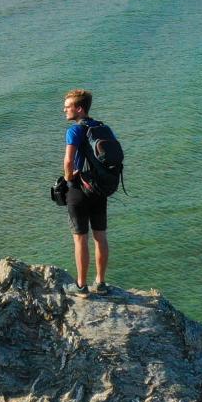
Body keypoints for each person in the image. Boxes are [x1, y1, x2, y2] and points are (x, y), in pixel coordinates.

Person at [61, 88, 113, 294]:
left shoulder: (74, 130)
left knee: (80, 237)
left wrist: (67, 179)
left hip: (79, 189)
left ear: (79, 109)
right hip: (99, 188)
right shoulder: (102, 127)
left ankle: (81, 286)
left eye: (67, 107)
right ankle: (100, 283)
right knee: (100, 236)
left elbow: (68, 160)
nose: (64, 110)